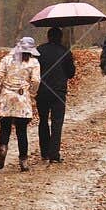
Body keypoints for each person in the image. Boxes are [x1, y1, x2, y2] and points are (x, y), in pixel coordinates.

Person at [0, 35, 41, 171]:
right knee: (21, 131)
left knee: (5, 126)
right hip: (22, 97)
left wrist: (0, 90)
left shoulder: (7, 59)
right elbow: (36, 81)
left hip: (7, 96)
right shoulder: (33, 63)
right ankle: (23, 161)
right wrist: (32, 93)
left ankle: (3, 147)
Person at [34, 26, 75, 164]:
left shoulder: (39, 51)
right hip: (58, 91)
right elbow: (71, 73)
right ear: (60, 37)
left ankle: (44, 152)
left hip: (42, 91)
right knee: (57, 122)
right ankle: (54, 154)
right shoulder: (65, 51)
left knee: (43, 120)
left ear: (48, 36)